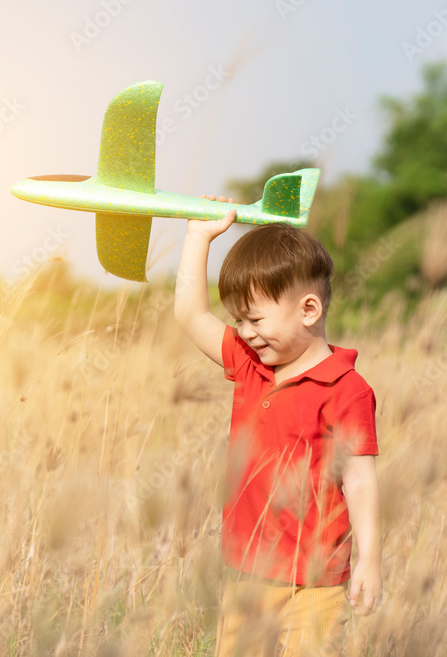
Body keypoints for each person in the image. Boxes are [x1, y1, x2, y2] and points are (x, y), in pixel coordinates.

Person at [173, 197, 382, 656]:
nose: (245, 333)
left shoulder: (347, 390)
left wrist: (369, 558)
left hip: (316, 581)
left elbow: (360, 479)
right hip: (247, 572)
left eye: (255, 319)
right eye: (238, 321)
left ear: (309, 310)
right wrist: (198, 237)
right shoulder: (250, 365)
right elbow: (189, 315)